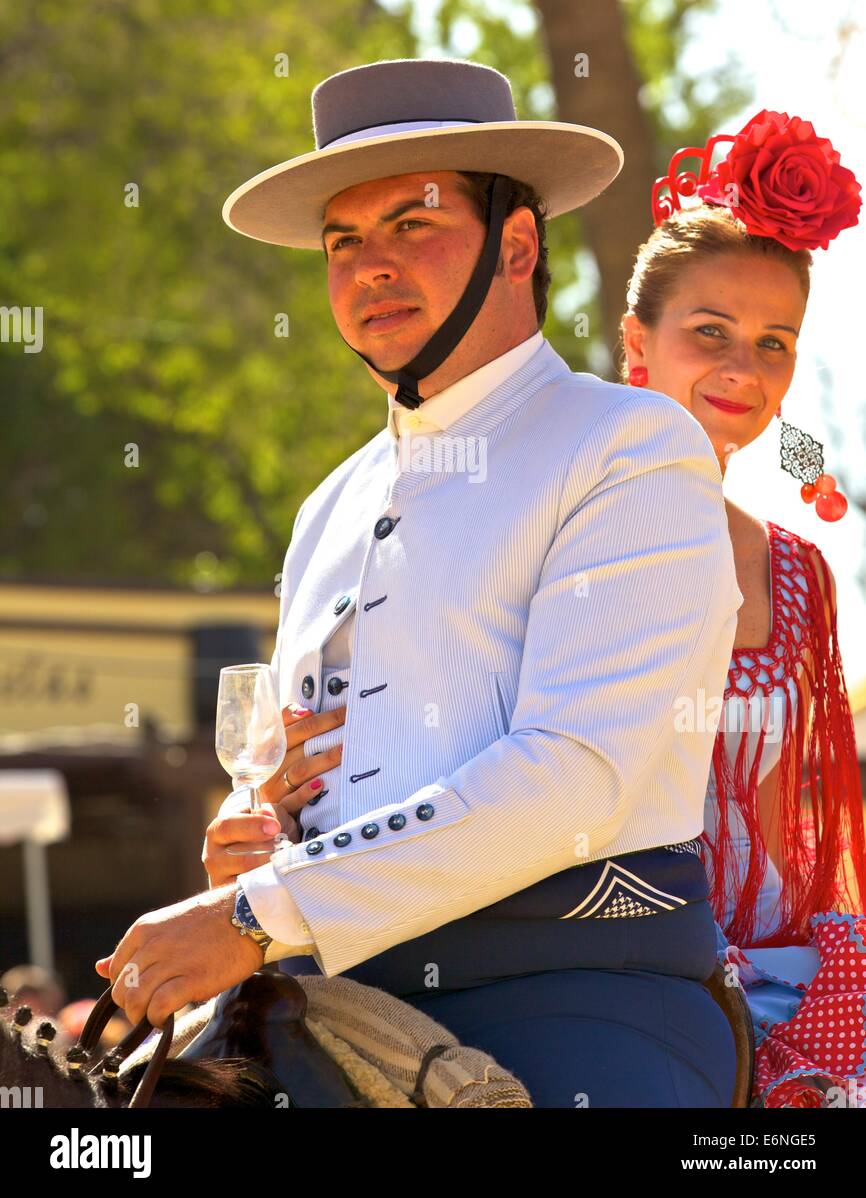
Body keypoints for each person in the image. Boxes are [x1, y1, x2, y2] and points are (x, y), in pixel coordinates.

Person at [98, 57, 743, 1107]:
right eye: (343, 242)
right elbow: (286, 771)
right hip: (315, 1004)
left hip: (571, 996)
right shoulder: (325, 506)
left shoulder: (631, 446)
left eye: (412, 224)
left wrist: (260, 911)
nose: (370, 266)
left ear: (517, 246)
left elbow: (574, 775)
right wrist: (251, 826)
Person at [619, 108, 866, 1107]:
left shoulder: (797, 571)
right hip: (611, 973)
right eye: (707, 332)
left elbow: (803, 824)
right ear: (636, 343)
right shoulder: (561, 542)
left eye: (771, 344)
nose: (741, 368)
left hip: (777, 982)